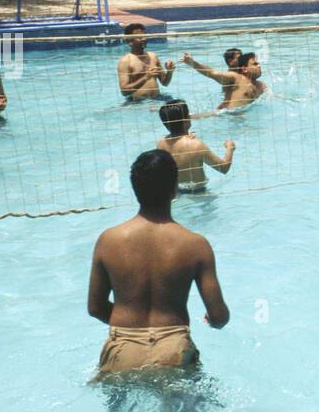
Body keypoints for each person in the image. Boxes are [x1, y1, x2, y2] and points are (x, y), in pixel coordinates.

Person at [87, 150, 230, 376]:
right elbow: (219, 316)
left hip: (123, 351)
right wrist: (213, 321)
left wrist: (133, 329)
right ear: (175, 187)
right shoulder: (195, 244)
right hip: (173, 351)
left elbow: (95, 308)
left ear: (134, 189)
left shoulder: (108, 240)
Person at [156, 99, 235, 191]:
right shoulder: (196, 145)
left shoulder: (160, 145)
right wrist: (230, 148)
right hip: (199, 193)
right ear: (186, 120)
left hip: (176, 192)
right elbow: (224, 168)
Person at [182, 50, 265, 110]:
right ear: (244, 69)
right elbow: (212, 73)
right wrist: (193, 63)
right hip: (227, 116)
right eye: (255, 64)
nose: (259, 66)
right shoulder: (236, 78)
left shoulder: (261, 85)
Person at [116, 24, 175, 100]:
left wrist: (170, 71)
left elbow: (165, 83)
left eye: (144, 36)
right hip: (138, 104)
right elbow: (124, 91)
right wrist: (146, 77)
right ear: (129, 40)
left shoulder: (153, 56)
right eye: (139, 37)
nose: (143, 39)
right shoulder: (125, 61)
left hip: (157, 99)